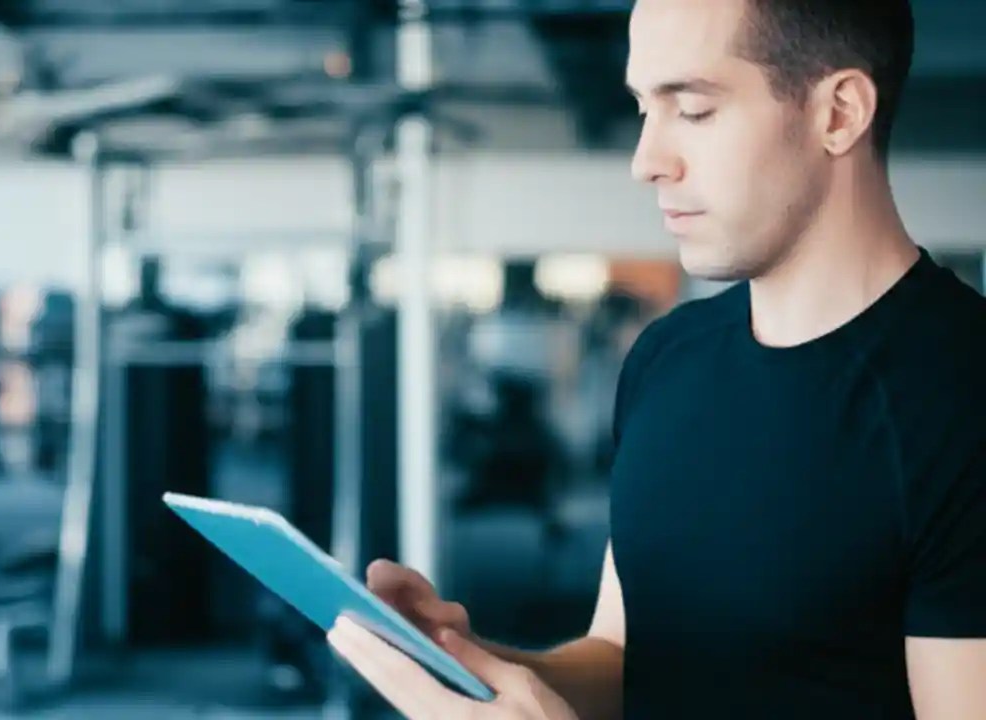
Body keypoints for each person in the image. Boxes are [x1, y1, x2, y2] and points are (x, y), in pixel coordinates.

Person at [326, 0, 986, 718]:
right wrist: (470, 663)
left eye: (694, 111)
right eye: (644, 109)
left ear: (839, 113)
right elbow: (621, 658)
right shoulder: (667, 358)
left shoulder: (962, 393)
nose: (646, 162)